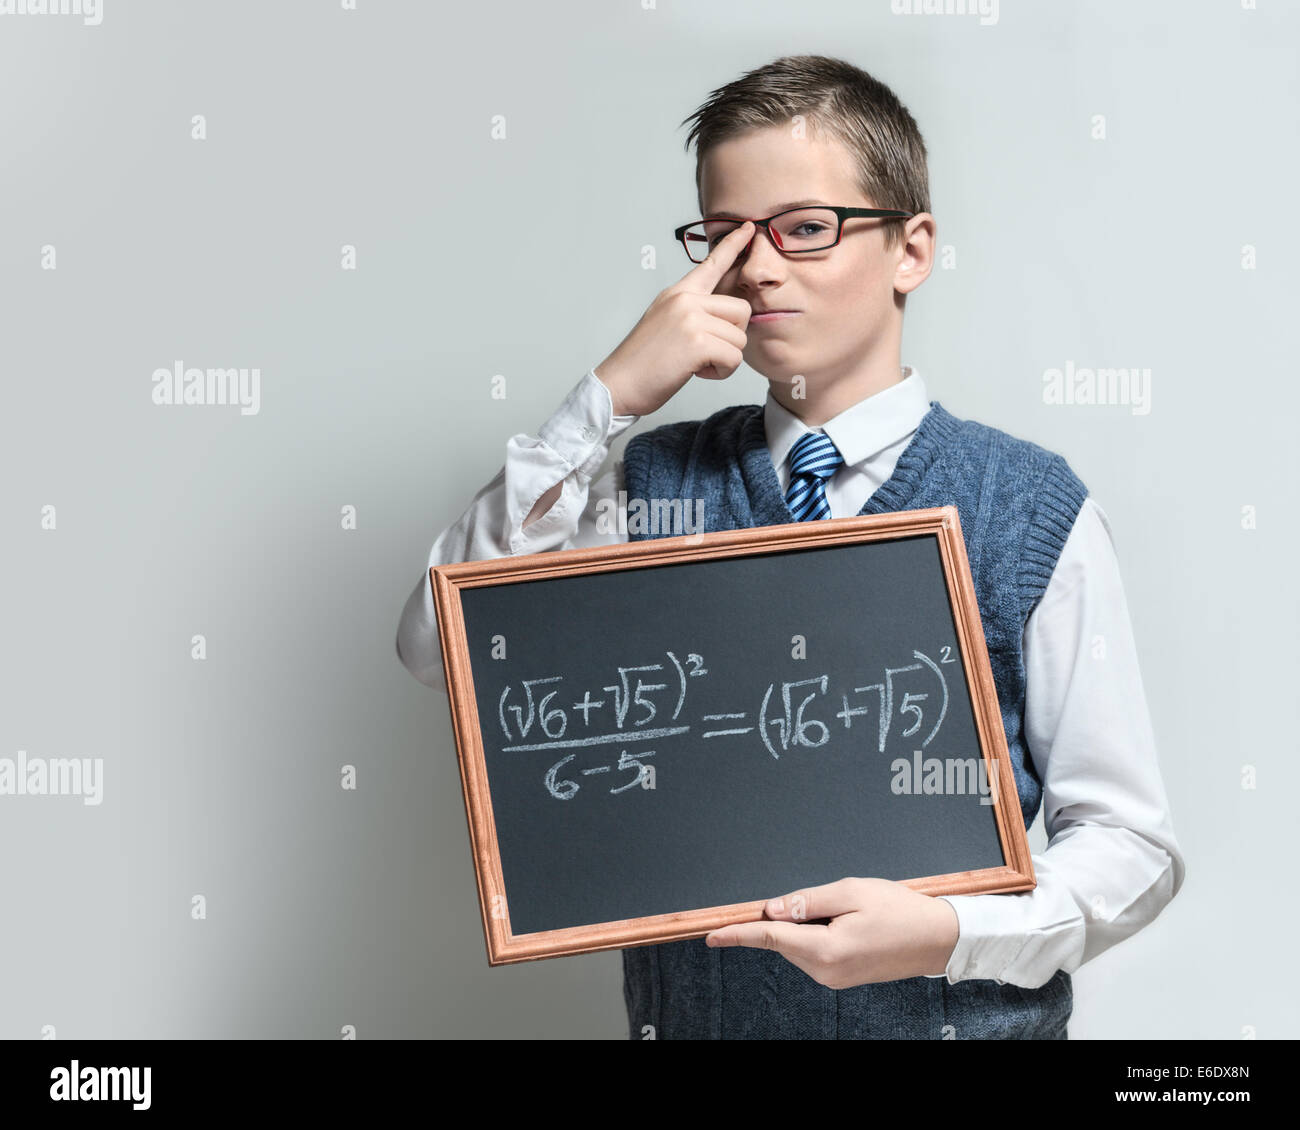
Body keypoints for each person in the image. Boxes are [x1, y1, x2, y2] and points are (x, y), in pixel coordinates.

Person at [395, 54, 1184, 1040]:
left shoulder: (1027, 508)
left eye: (804, 229)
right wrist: (608, 396)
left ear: (911, 248)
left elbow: (1128, 842)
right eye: (722, 238)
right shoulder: (648, 484)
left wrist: (947, 931)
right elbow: (437, 644)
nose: (757, 269)